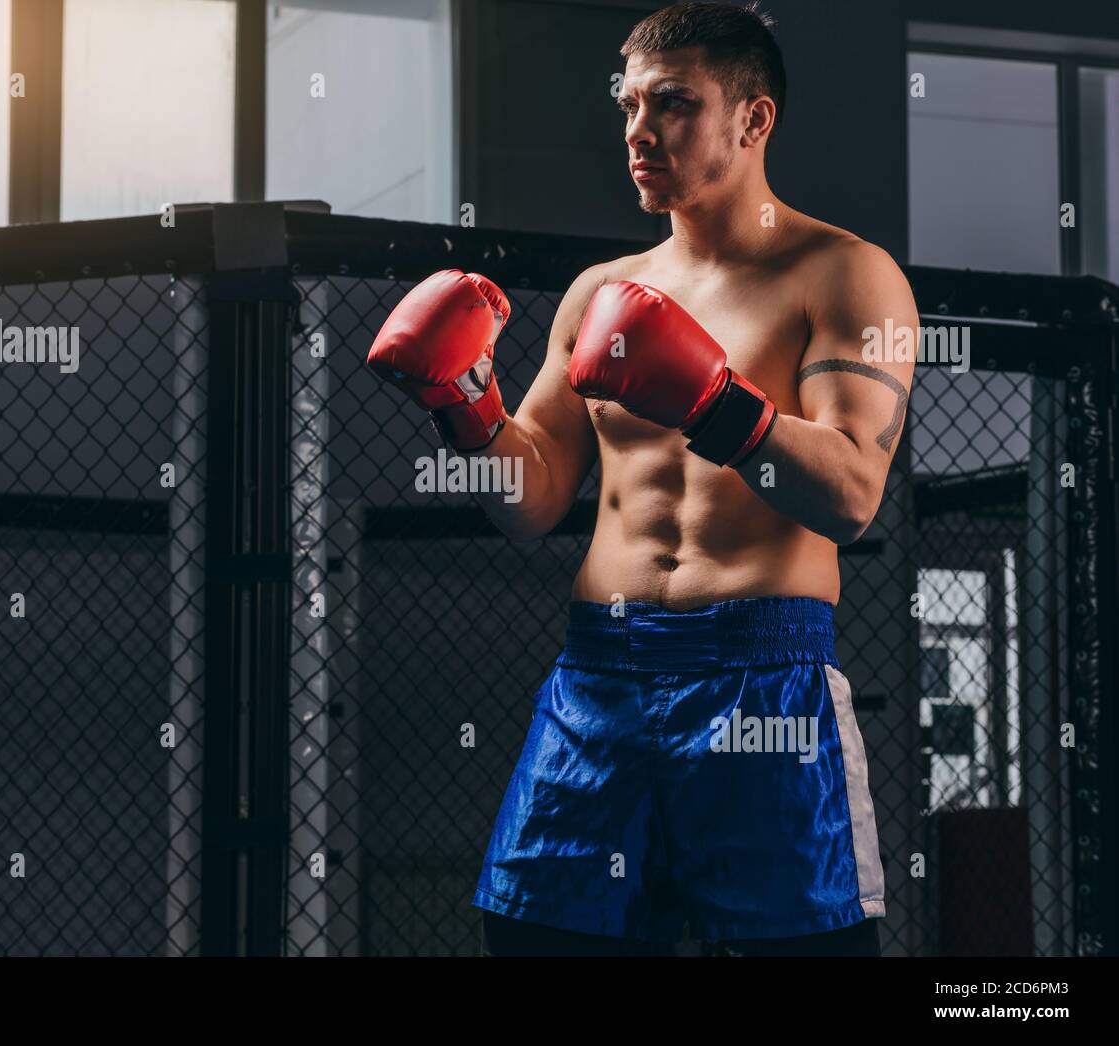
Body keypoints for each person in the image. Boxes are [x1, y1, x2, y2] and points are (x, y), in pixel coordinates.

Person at [368, 0, 917, 957]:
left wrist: (713, 401)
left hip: (760, 678)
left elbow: (853, 493)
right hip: (598, 676)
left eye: (672, 104)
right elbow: (532, 503)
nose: (638, 131)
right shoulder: (599, 292)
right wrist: (466, 409)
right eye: (627, 106)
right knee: (532, 938)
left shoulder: (846, 274)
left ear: (753, 120)